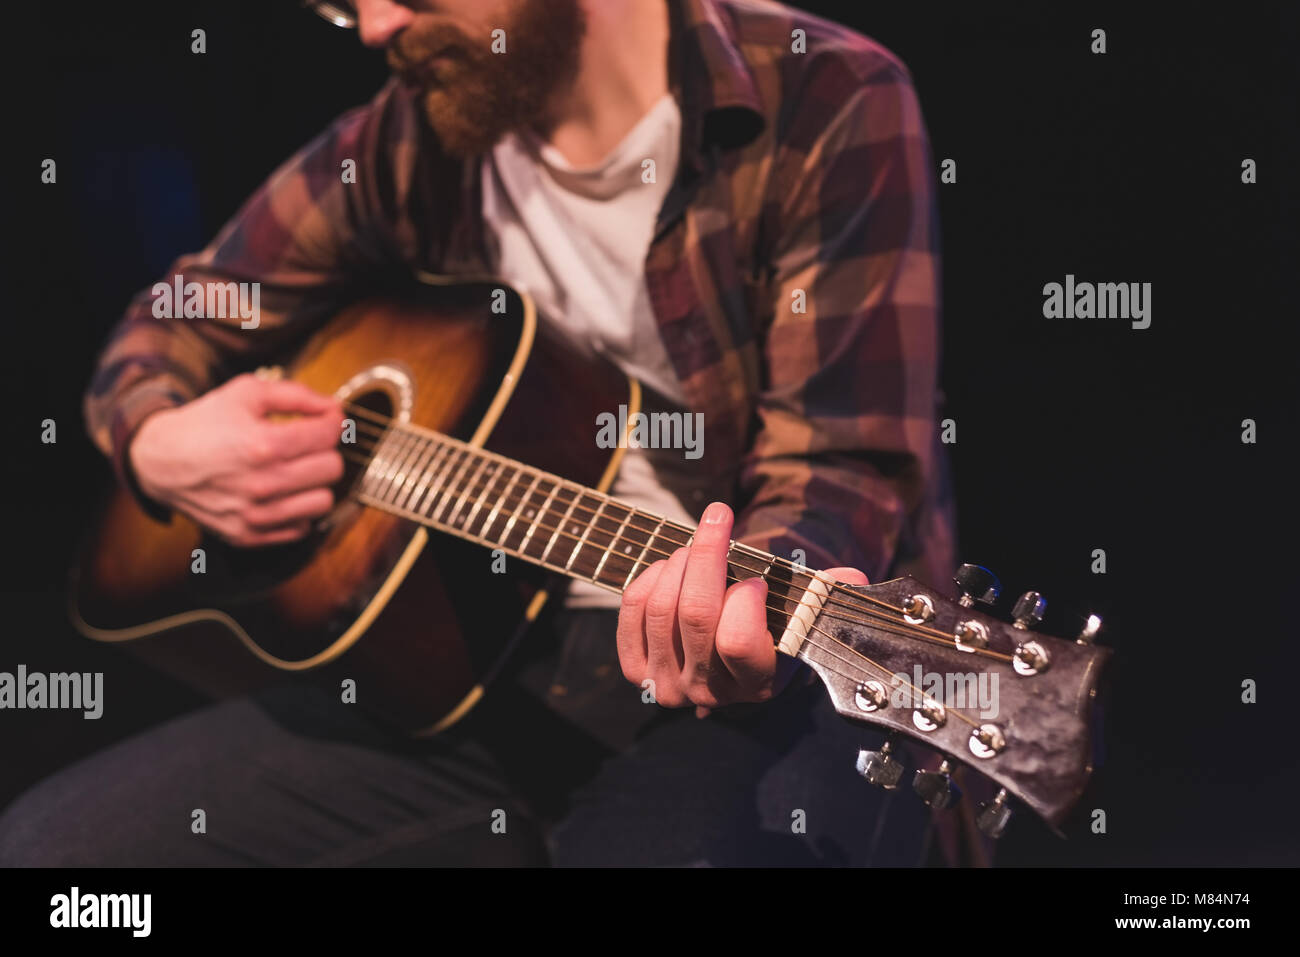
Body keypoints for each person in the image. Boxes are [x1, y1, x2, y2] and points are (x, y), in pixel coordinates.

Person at [0, 0, 958, 866]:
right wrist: (157, 443)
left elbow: (839, 471)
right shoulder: (410, 140)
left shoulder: (826, 96)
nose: (376, 26)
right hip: (464, 667)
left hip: (763, 685)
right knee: (49, 851)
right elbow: (178, 314)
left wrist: (747, 604)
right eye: (343, 3)